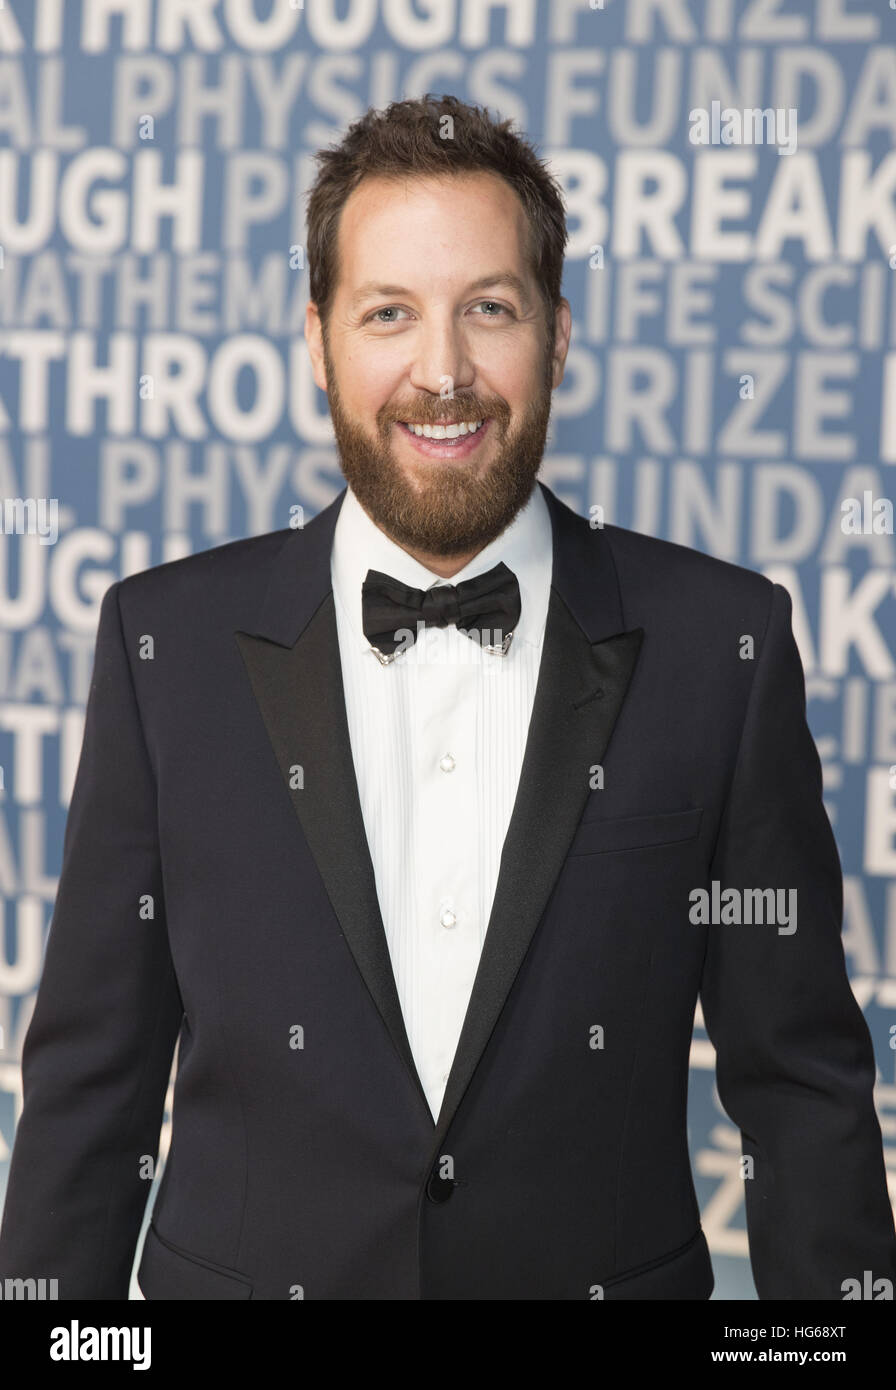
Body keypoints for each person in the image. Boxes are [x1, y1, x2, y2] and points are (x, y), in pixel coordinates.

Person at [1, 94, 893, 1301]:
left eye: (489, 308)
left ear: (558, 335)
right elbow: (89, 1098)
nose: (442, 373)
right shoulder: (163, 646)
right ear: (315, 340)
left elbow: (799, 1095)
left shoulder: (718, 646)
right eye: (387, 314)